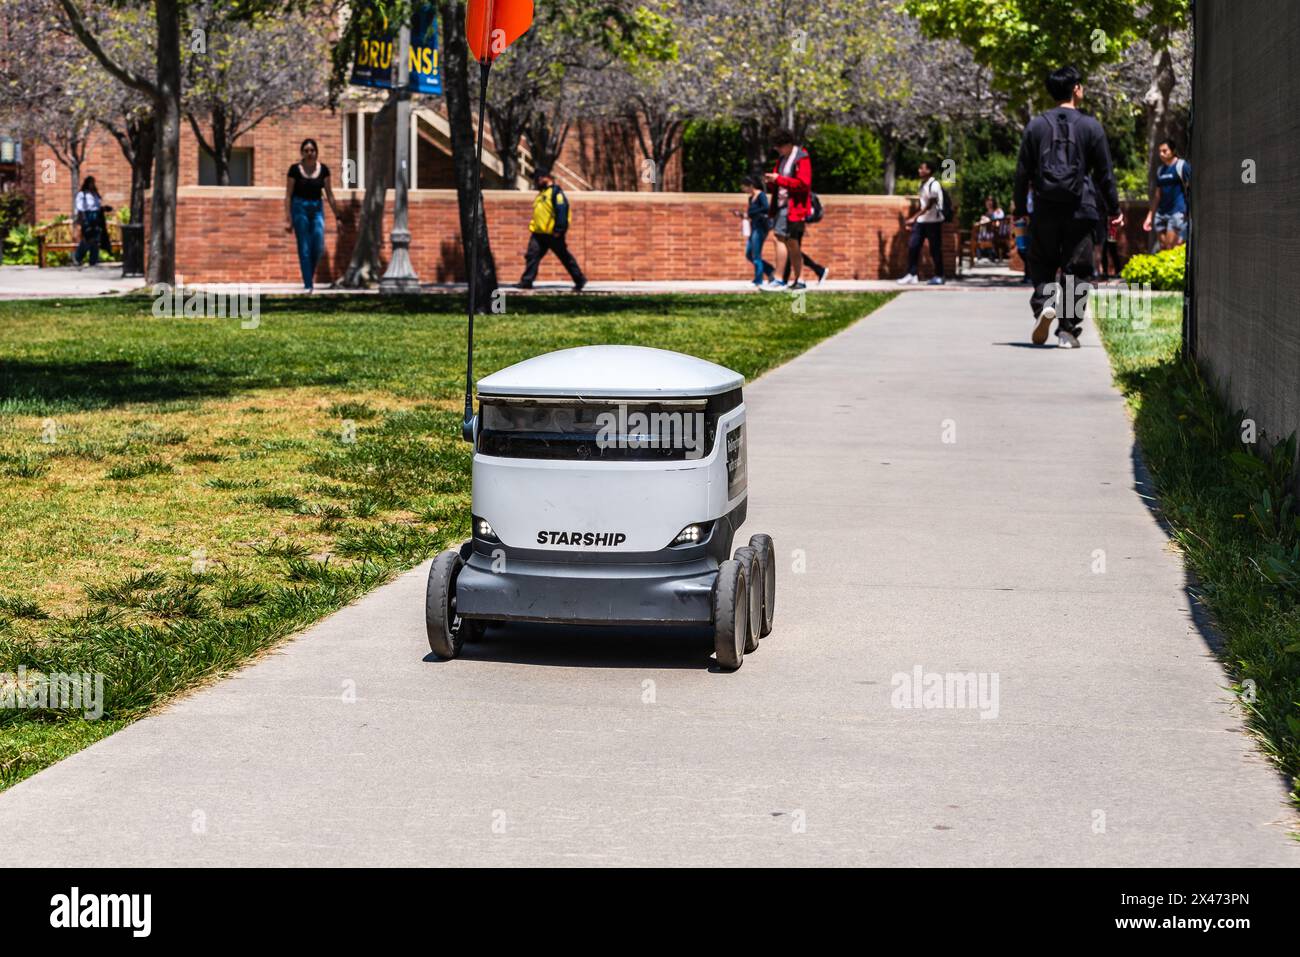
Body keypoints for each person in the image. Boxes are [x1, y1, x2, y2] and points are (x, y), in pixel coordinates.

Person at [1013, 65, 1122, 348]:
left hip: (1045, 207)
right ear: (1076, 89)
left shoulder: (1036, 126)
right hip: (1081, 207)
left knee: (1042, 262)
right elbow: (1104, 174)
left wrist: (1019, 210)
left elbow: (1022, 173)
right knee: (1078, 269)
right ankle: (1067, 332)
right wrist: (1114, 210)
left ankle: (1045, 304)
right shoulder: (1090, 126)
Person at [284, 138, 346, 292]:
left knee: (318, 246)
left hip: (317, 207)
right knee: (304, 247)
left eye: (312, 150)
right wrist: (288, 218)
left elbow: (329, 195)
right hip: (299, 207)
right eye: (306, 151)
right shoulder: (294, 170)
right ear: (302, 153)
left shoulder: (323, 170)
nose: (310, 153)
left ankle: (308, 276)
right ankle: (308, 285)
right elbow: (288, 195)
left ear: (316, 152)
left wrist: (337, 216)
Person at [518, 167, 586, 291]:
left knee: (565, 257)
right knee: (532, 256)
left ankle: (579, 279)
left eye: (537, 179)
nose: (535, 182)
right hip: (538, 234)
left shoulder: (556, 193)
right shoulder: (542, 193)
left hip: (553, 234)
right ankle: (526, 281)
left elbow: (562, 211)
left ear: (546, 178)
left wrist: (559, 230)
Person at [762, 129, 813, 291]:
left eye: (779, 146)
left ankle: (778, 279)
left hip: (793, 207)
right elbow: (781, 182)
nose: (777, 150)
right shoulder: (783, 159)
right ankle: (800, 279)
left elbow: (804, 183)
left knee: (779, 239)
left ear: (789, 144)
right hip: (782, 205)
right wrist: (772, 181)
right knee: (792, 243)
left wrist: (780, 179)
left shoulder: (801, 158)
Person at [897, 159, 945, 285]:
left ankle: (939, 276)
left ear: (928, 171)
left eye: (922, 168)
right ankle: (912, 275)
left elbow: (930, 205)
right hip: (922, 221)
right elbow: (923, 202)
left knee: (935, 250)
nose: (919, 170)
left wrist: (913, 218)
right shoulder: (922, 184)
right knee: (913, 246)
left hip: (933, 221)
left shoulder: (934, 185)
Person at [1143, 139, 1190, 250]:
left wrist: (1188, 211)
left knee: (1171, 247)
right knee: (1163, 247)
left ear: (1173, 151)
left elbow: (1190, 188)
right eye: (1160, 151)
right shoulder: (1161, 170)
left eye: (1165, 151)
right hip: (1161, 214)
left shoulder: (1182, 166)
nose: (1161, 154)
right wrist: (1149, 217)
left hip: (1177, 212)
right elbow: (1157, 195)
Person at [734, 175, 775, 287]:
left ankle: (758, 280)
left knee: (756, 255)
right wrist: (743, 215)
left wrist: (751, 213)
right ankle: (770, 270)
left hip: (761, 227)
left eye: (745, 187)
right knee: (749, 254)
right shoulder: (750, 198)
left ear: (751, 186)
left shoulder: (761, 195)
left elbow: (766, 208)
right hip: (754, 226)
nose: (744, 190)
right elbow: (752, 213)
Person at [73, 176, 103, 267]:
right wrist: (82, 219)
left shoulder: (95, 194)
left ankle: (93, 259)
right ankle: (78, 257)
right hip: (87, 217)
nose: (92, 184)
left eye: (93, 182)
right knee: (87, 239)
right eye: (90, 182)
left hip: (96, 217)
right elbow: (79, 207)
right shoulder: (82, 194)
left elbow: (98, 205)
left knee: (96, 239)